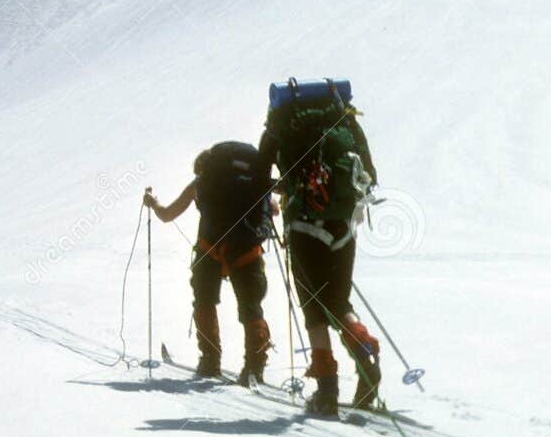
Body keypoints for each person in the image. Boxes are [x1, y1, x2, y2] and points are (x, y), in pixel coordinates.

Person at [258, 79, 382, 416]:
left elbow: (258, 173)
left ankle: (327, 390)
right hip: (345, 222)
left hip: (302, 224)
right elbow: (369, 171)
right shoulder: (344, 120)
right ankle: (365, 355)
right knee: (338, 300)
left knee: (314, 307)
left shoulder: (280, 123)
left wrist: (274, 194)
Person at [143, 141, 275, 384]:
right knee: (251, 307)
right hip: (247, 248)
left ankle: (210, 360)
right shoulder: (250, 184)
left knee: (204, 301)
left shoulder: (200, 184)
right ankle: (255, 367)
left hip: (210, 249)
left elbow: (167, 214)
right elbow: (273, 209)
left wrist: (153, 202)